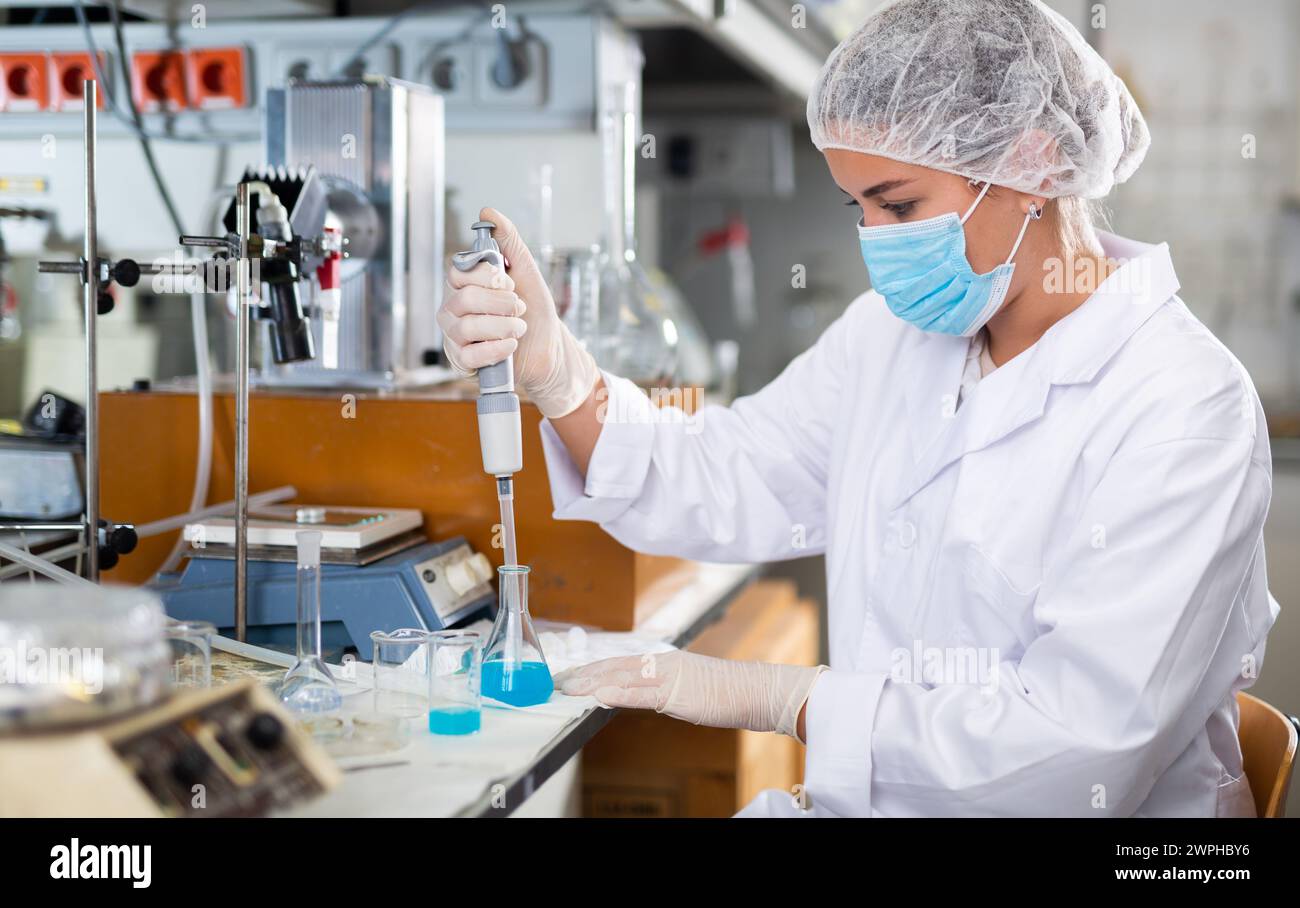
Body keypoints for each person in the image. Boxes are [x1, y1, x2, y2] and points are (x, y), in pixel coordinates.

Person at [437, 0, 1276, 817]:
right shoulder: (889, 337)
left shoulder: (1184, 406)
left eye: (900, 204)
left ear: (1034, 162)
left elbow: (1074, 756)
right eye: (861, 208)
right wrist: (557, 375)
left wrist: (782, 700)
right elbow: (727, 470)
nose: (876, 239)